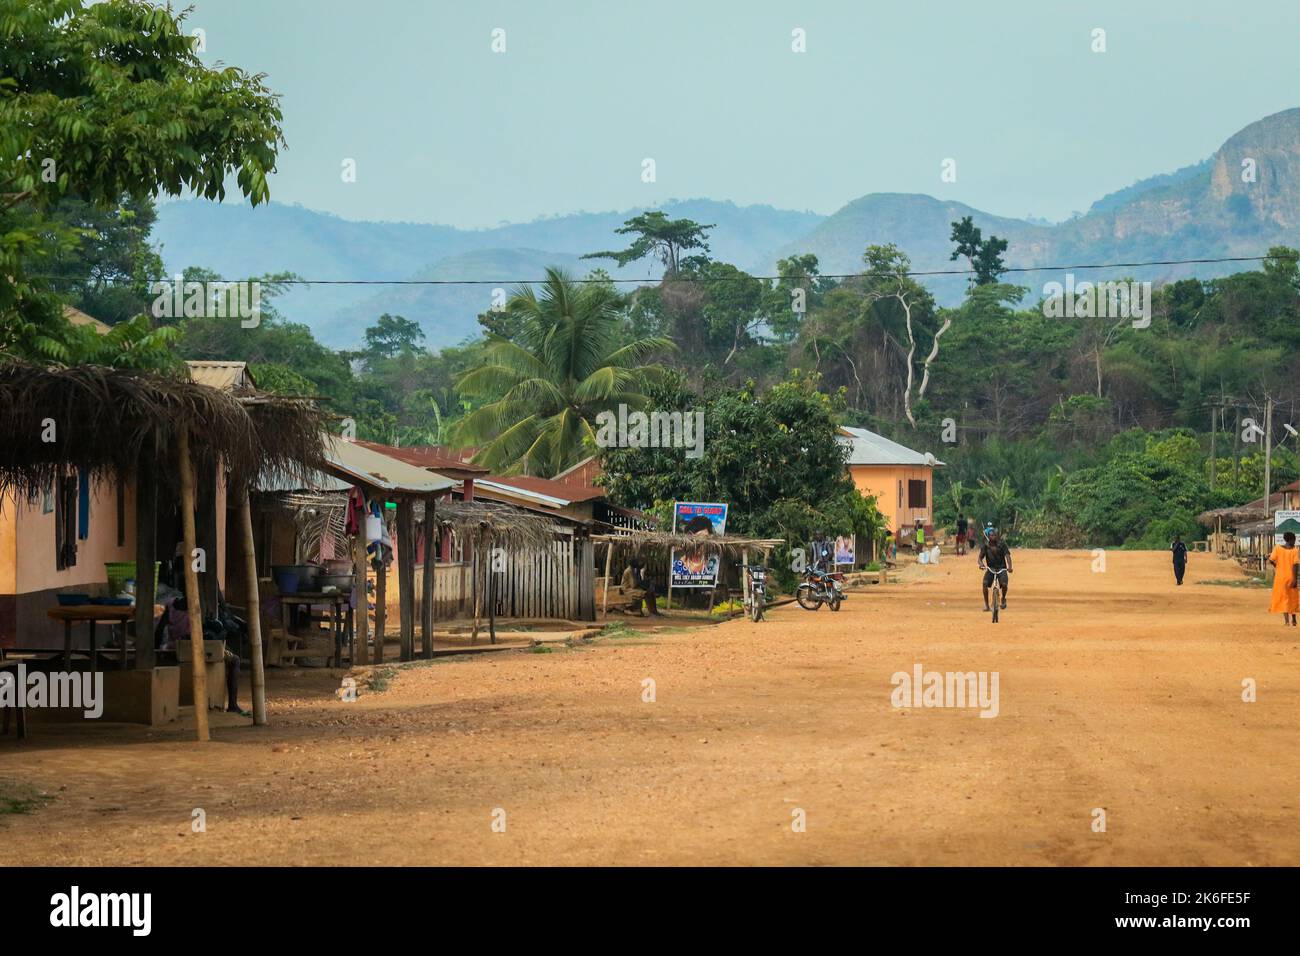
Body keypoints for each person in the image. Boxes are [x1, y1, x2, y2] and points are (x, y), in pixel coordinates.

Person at [1267, 531, 1299, 626]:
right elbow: (1295, 565)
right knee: (1292, 598)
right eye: (1294, 540)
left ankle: (1286, 621)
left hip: (1280, 578)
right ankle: (1293, 619)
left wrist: (1277, 566)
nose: (1295, 542)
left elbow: (1271, 560)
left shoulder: (1277, 548)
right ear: (1290, 540)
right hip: (1291, 577)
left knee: (1284, 599)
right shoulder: (1295, 551)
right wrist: (1295, 579)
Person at [977, 528, 1012, 611]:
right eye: (992, 535)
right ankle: (986, 605)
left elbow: (1007, 556)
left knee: (1004, 584)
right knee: (985, 583)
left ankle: (1003, 598)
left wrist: (1009, 567)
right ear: (988, 537)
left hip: (1002, 568)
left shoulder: (1002, 545)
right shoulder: (985, 546)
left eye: (995, 535)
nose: (994, 537)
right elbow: (980, 558)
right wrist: (981, 565)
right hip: (990, 568)